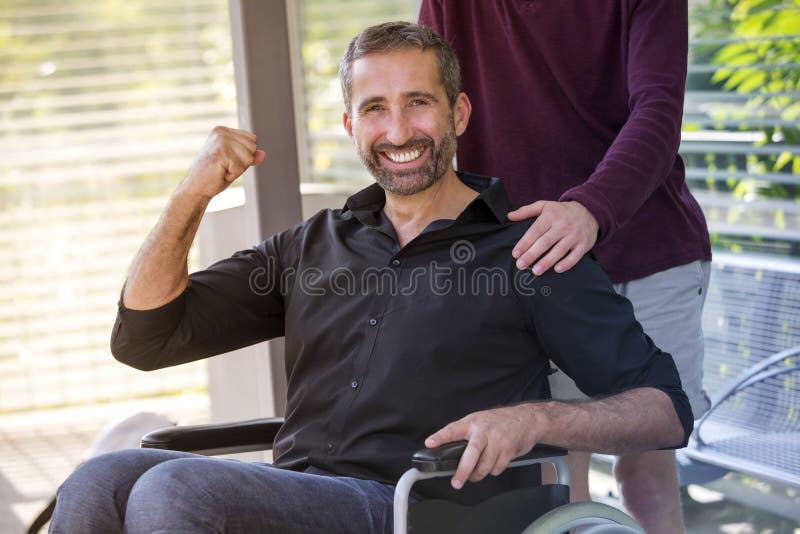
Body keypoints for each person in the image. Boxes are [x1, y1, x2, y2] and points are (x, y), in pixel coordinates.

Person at [50, 22, 692, 534]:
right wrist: (192, 193)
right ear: (350, 126)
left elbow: (666, 410)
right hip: (298, 495)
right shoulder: (315, 244)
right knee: (98, 481)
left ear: (459, 113)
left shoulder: (527, 251)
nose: (399, 130)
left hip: (417, 507)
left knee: (175, 489)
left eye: (418, 103)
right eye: (375, 109)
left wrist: (534, 419)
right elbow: (144, 337)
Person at [418, 2, 712, 532]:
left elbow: (659, 107)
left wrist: (592, 207)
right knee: (555, 473)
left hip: (647, 252)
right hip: (525, 264)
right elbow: (422, 106)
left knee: (648, 466)